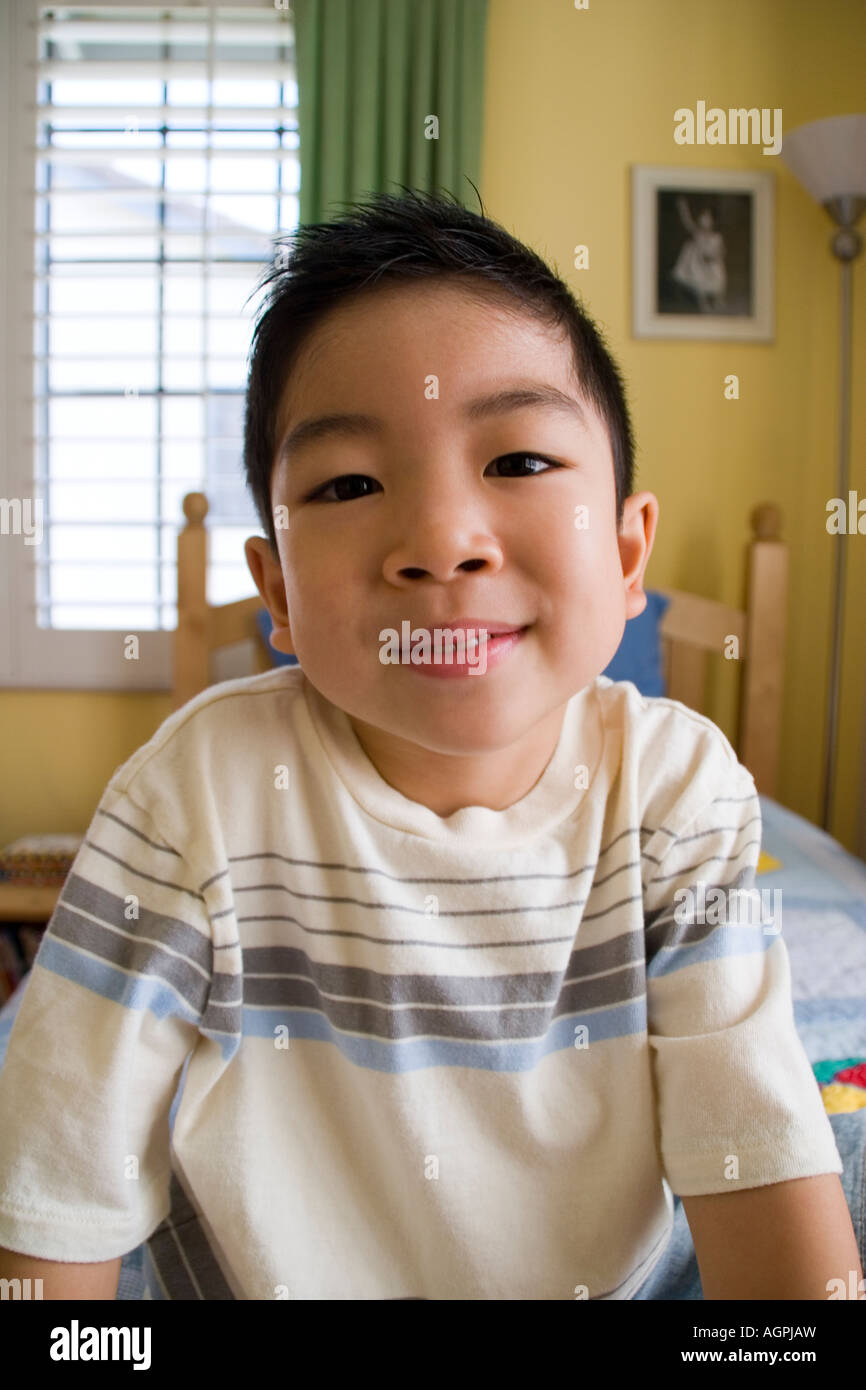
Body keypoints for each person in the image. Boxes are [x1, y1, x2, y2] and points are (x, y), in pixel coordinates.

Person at [0, 189, 861, 1300]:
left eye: (517, 462)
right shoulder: (192, 796)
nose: (442, 541)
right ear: (277, 593)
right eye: (349, 483)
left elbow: (758, 1164)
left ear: (625, 550)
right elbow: (59, 1178)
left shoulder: (677, 794)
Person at [671, 197, 727, 312]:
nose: (703, 220)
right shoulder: (698, 233)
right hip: (699, 263)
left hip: (712, 262)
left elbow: (722, 250)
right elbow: (687, 222)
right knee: (699, 282)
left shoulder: (716, 236)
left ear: (713, 221)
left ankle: (719, 301)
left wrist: (717, 255)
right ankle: (704, 304)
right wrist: (683, 208)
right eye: (702, 217)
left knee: (719, 279)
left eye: (707, 218)